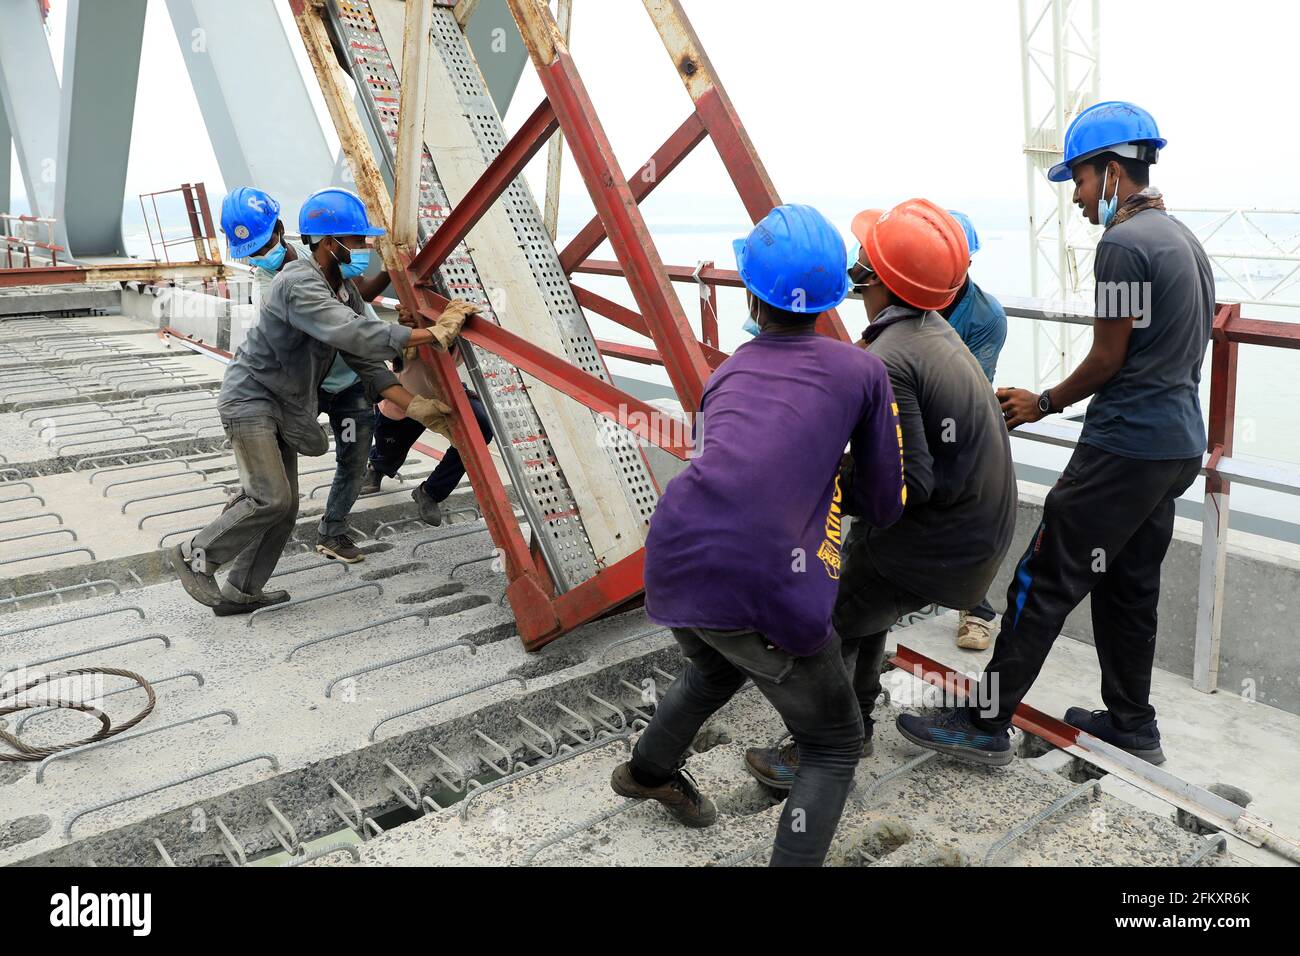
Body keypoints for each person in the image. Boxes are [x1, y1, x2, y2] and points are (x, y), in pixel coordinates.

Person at [898, 101, 1212, 767]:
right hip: (1177, 445)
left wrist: (1042, 401)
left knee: (1042, 576)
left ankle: (984, 724)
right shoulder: (1182, 238)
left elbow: (1109, 356)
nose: (1075, 198)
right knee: (1129, 586)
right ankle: (1131, 723)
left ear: (1111, 172)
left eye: (1077, 180)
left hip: (1125, 447)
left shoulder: (1125, 247)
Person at [608, 204, 906, 867]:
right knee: (832, 743)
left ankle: (648, 772)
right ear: (838, 294)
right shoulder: (863, 371)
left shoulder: (731, 369)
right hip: (769, 579)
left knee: (715, 664)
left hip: (675, 555)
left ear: (752, 293)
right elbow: (885, 503)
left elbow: (739, 464)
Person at [744, 199, 1017, 790]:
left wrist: (830, 484)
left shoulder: (891, 358)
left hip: (943, 540)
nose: (856, 264)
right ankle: (859, 725)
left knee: (826, 613)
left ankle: (823, 748)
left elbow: (909, 483)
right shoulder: (931, 332)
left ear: (875, 280)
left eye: (864, 258)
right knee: (863, 589)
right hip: (975, 531)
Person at [168, 187, 467, 615]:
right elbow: (355, 334)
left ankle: (241, 592)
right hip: (252, 399)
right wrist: (429, 334)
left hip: (287, 406)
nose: (364, 249)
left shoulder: (342, 290)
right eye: (358, 240)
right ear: (330, 243)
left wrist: (415, 406)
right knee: (269, 497)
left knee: (283, 509)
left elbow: (364, 360)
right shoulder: (296, 284)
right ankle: (194, 556)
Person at [223, 186, 401, 563]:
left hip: (349, 382)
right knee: (276, 481)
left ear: (280, 228)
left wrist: (389, 270)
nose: (260, 256)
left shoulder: (318, 254)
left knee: (353, 456)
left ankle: (333, 531)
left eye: (263, 245)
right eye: (252, 253)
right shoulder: (270, 285)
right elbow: (337, 326)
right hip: (306, 387)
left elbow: (356, 297)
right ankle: (243, 517)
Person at [943, 210, 1010, 651]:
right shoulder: (897, 296)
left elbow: (967, 390)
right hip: (903, 418)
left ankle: (977, 607)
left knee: (969, 506)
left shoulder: (985, 315)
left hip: (958, 423)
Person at [360, 343, 495, 527]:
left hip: (443, 393)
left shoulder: (459, 325)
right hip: (403, 398)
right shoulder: (414, 324)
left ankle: (430, 492)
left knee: (479, 429)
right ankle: (378, 467)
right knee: (389, 451)